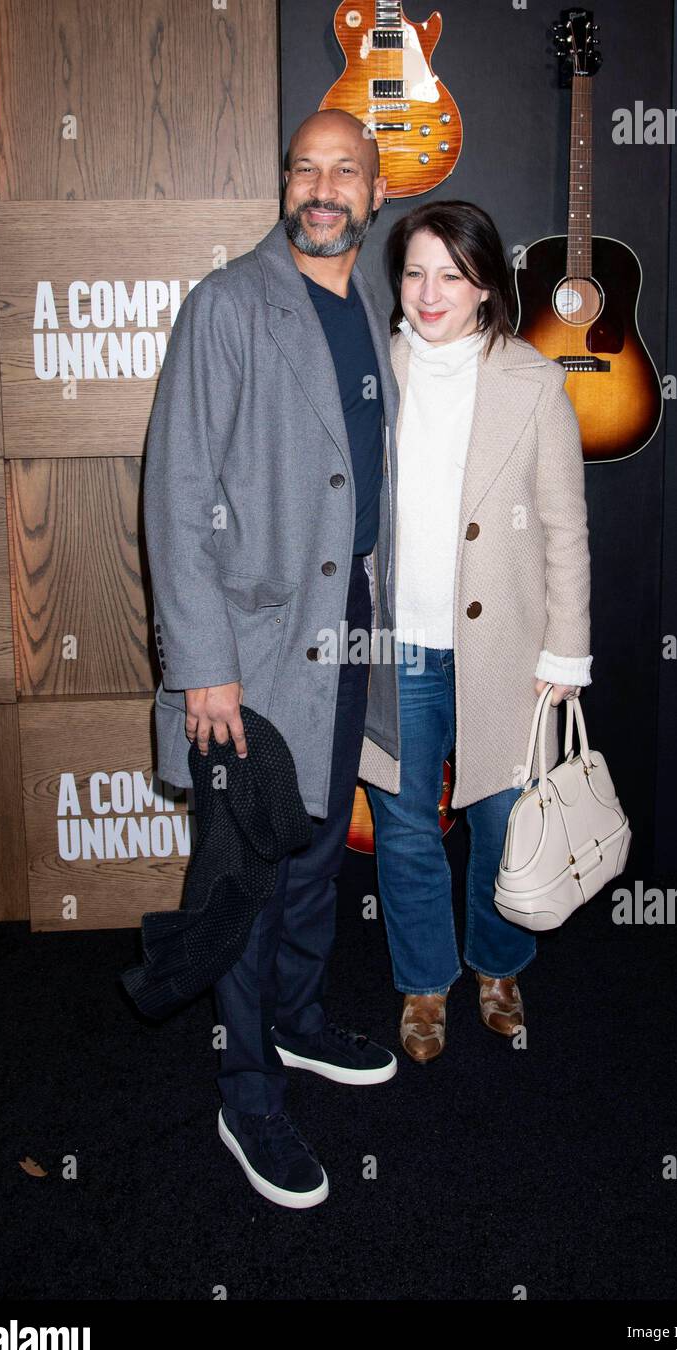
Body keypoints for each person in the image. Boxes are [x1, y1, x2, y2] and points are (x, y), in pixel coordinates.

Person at [143, 110, 402, 1208]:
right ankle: (245, 1089)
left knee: (311, 857)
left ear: (375, 192)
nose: (324, 187)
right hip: (244, 659)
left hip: (342, 632)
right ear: (285, 184)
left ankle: (297, 1024)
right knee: (244, 880)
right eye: (307, 168)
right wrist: (205, 666)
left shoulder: (376, 308)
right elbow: (172, 497)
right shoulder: (227, 305)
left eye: (347, 170)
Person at [359, 201, 592, 1062]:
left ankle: (498, 965)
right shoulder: (370, 370)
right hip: (397, 647)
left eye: (451, 275)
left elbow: (566, 527)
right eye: (416, 272)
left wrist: (566, 650)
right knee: (407, 825)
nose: (430, 292)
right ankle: (424, 986)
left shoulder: (533, 381)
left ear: (486, 286)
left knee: (502, 823)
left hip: (504, 654)